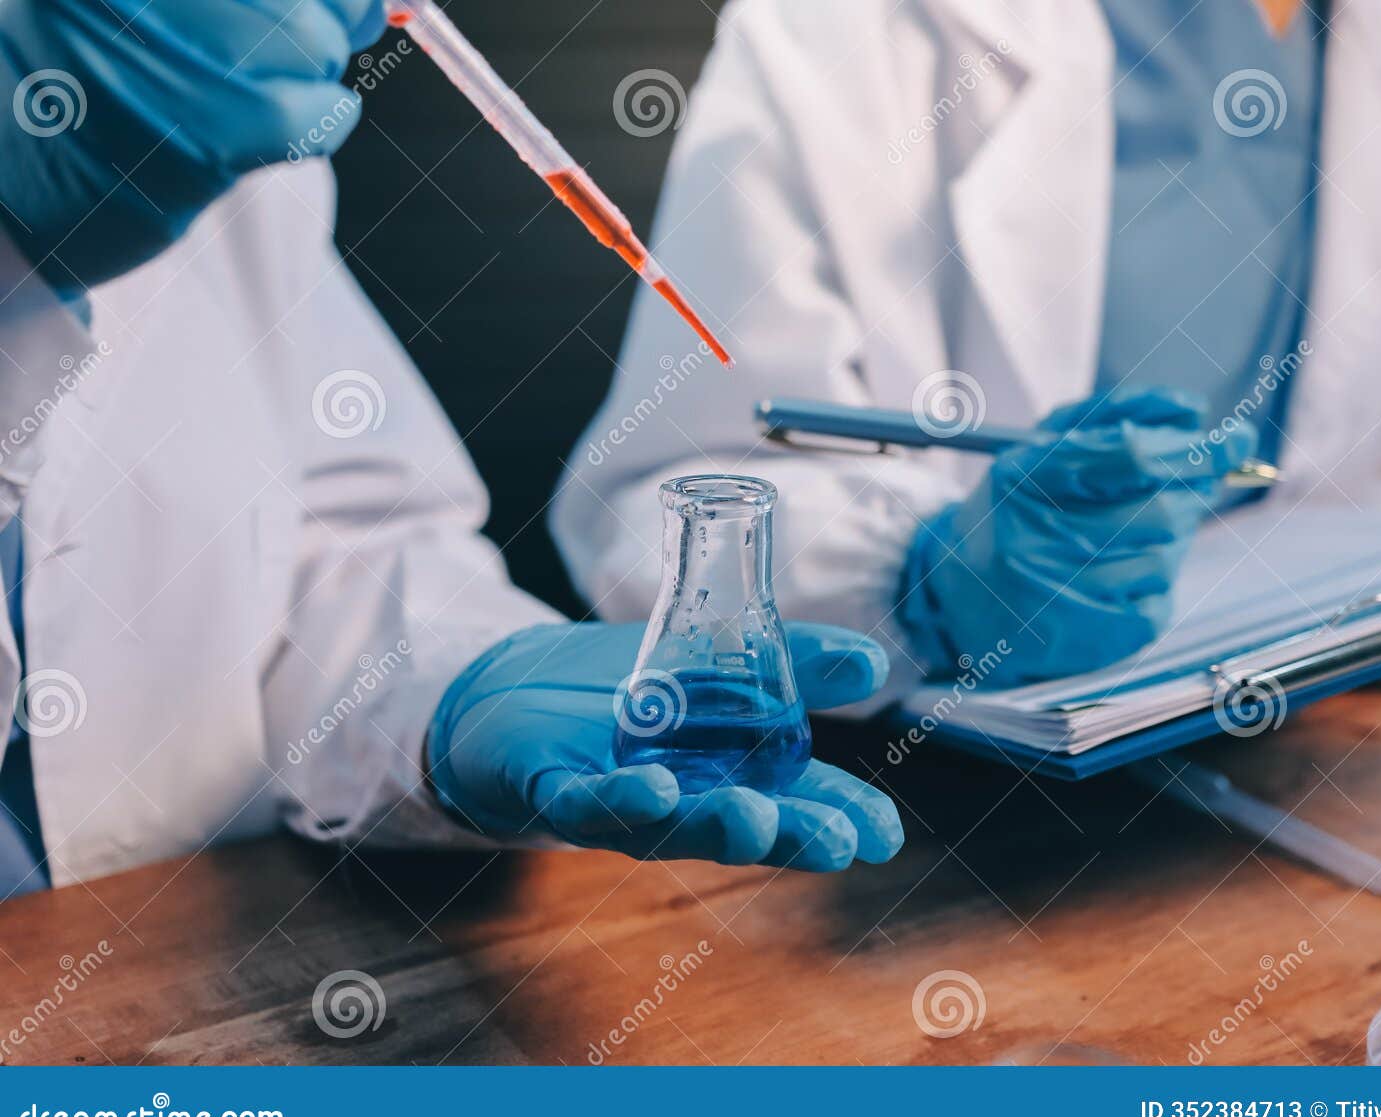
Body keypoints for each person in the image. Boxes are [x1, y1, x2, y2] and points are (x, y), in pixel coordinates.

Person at [0, 0, 903, 900]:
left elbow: (326, 545)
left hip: (187, 965)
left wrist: (450, 687)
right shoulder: (116, 63)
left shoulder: (194, 73)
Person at [555, 0, 1381, 701]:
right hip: (925, 822)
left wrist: (1325, 611)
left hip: (1353, 749)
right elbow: (663, 506)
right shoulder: (842, 27)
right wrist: (919, 582)